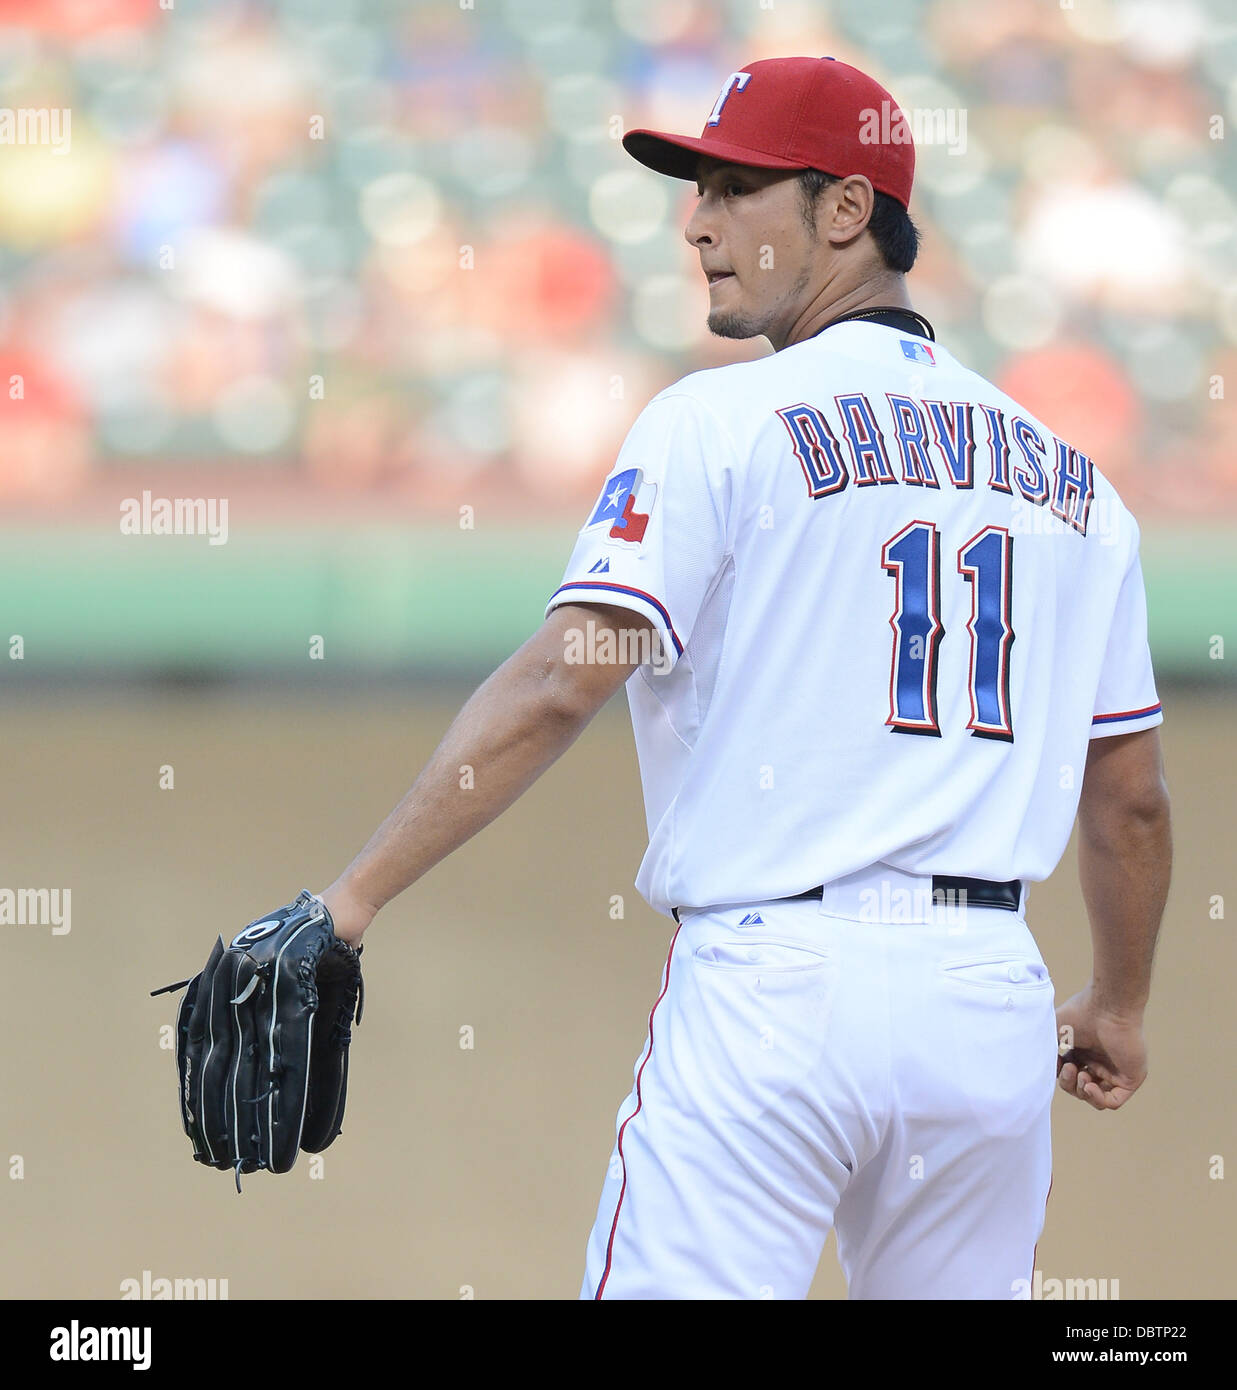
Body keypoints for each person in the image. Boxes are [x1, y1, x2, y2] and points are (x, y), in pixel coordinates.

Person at [318, 57, 1172, 1299]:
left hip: (779, 990)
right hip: (988, 997)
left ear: (841, 210)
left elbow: (568, 677)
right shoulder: (1077, 483)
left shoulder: (717, 422)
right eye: (697, 191)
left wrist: (352, 898)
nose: (696, 220)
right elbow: (1132, 798)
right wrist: (1122, 1002)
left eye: (732, 186)